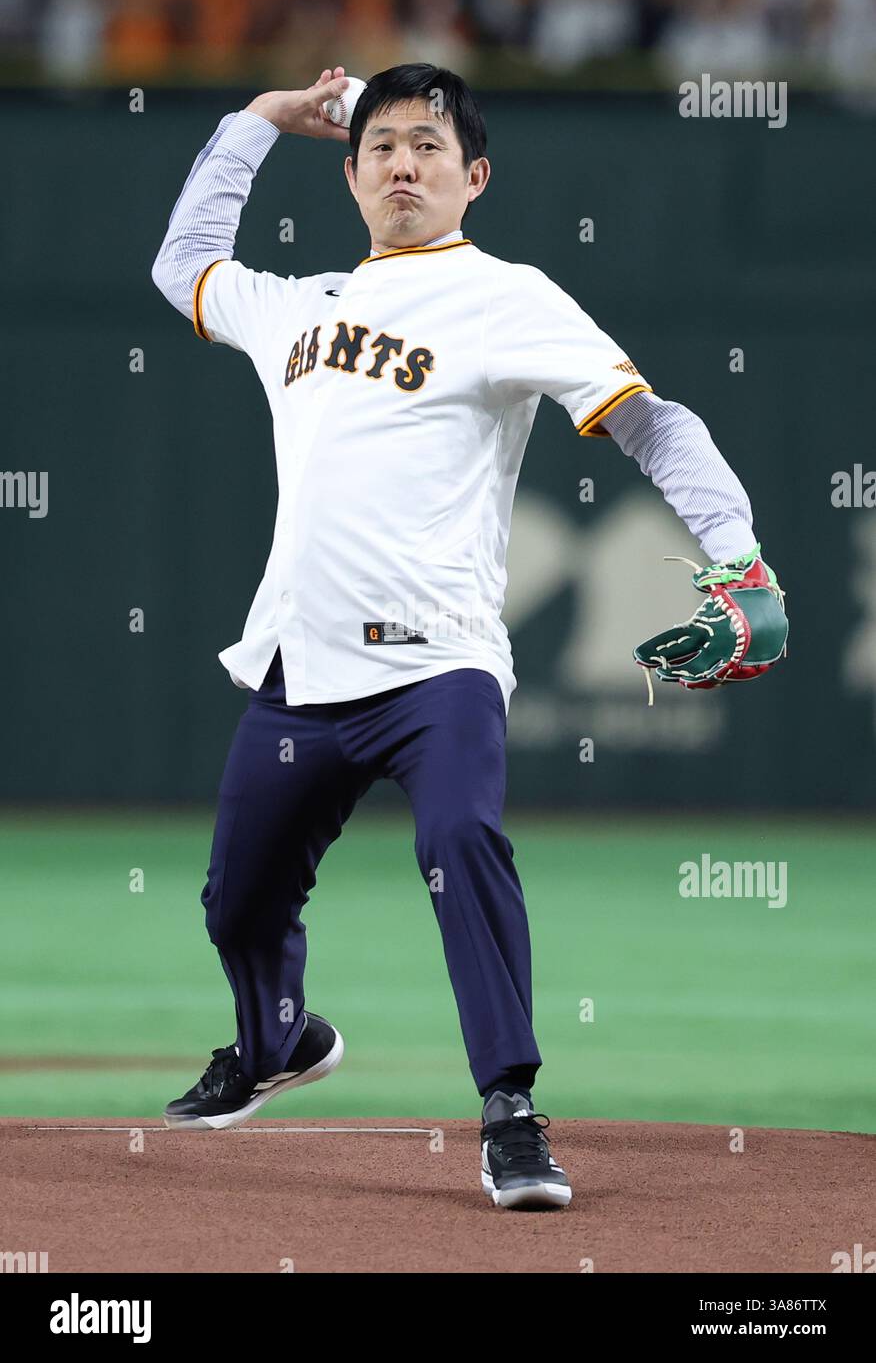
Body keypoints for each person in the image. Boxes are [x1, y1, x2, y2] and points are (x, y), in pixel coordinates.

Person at [152, 62, 770, 1211]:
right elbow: (181, 264)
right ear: (349, 174)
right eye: (382, 144)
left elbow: (651, 423)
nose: (403, 162)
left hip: (438, 667)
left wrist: (739, 556)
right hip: (302, 671)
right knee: (237, 901)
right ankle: (276, 1038)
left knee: (462, 842)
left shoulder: (507, 295)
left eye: (428, 146)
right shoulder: (301, 306)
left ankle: (511, 1112)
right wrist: (253, 121)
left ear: (473, 176)